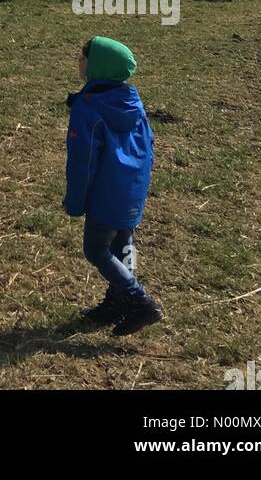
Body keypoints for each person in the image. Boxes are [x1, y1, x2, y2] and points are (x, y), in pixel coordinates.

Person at [63, 35, 162, 335]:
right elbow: (149, 144)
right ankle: (115, 303)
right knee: (121, 246)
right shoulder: (131, 100)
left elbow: (84, 161)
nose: (79, 62)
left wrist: (75, 202)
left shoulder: (88, 110)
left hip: (105, 194)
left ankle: (139, 300)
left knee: (96, 249)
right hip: (131, 187)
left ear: (98, 67)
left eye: (83, 58)